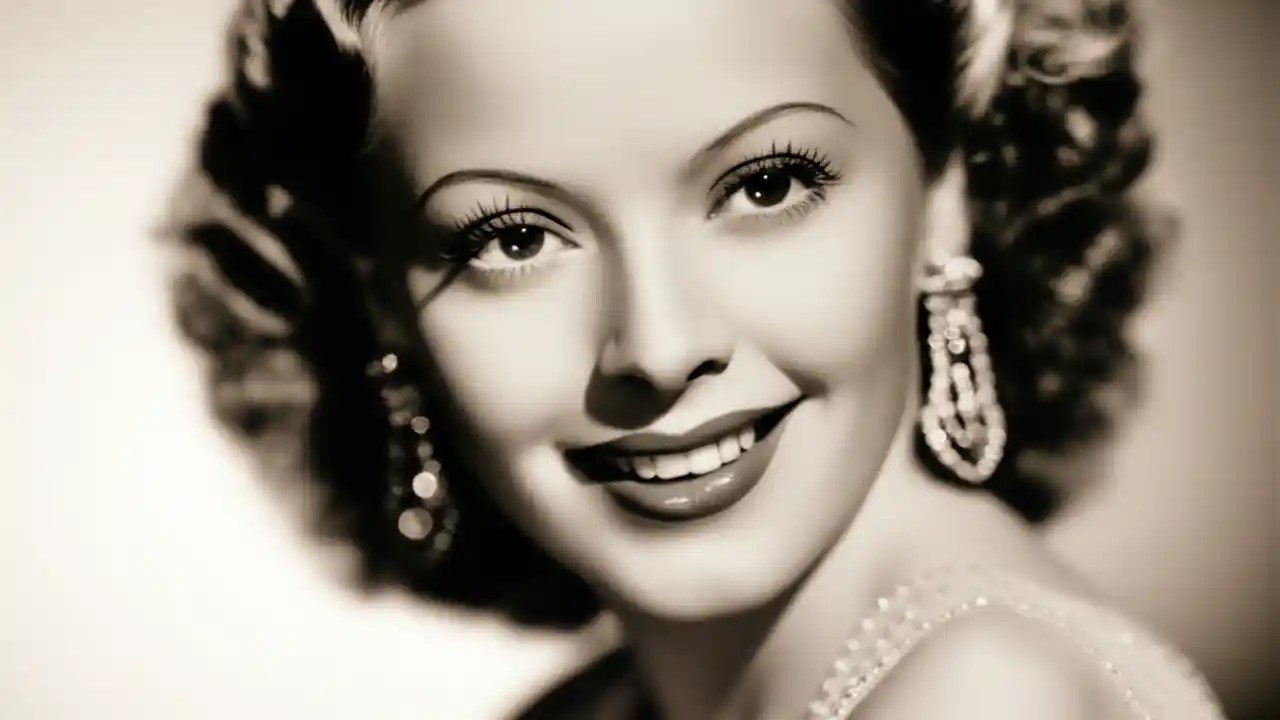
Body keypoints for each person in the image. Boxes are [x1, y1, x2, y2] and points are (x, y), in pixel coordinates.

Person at [165, 0, 1225, 717]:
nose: (659, 347)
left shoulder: (988, 698)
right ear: (383, 301)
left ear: (945, 191)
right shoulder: (594, 708)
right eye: (513, 239)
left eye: (765, 185)